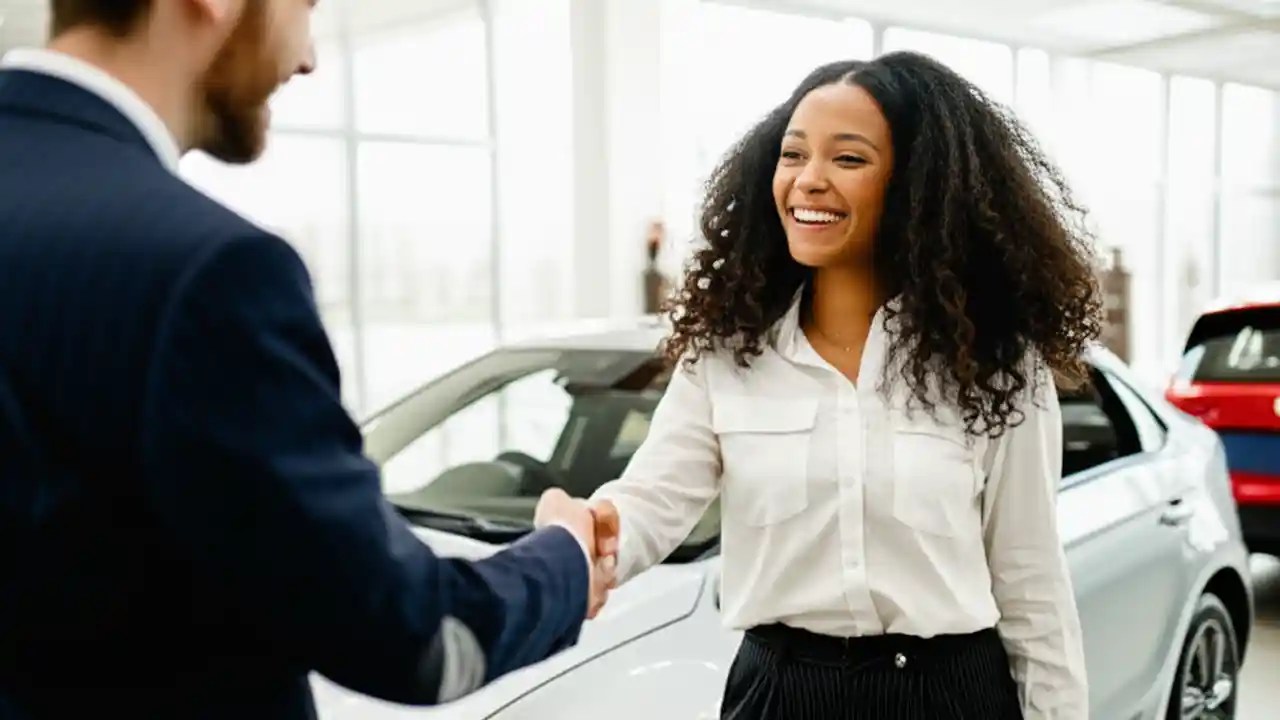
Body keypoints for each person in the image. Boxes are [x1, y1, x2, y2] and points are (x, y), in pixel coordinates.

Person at [0, 1, 617, 718]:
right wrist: (566, 557)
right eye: (307, 5)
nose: (309, 57)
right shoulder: (209, 272)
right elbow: (421, 639)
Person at [586, 52, 1102, 719]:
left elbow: (1031, 582)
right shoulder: (726, 355)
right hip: (781, 694)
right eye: (793, 155)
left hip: (950, 697)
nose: (809, 181)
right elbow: (651, 501)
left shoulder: (996, 365)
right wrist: (590, 538)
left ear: (917, 186)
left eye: (848, 160)